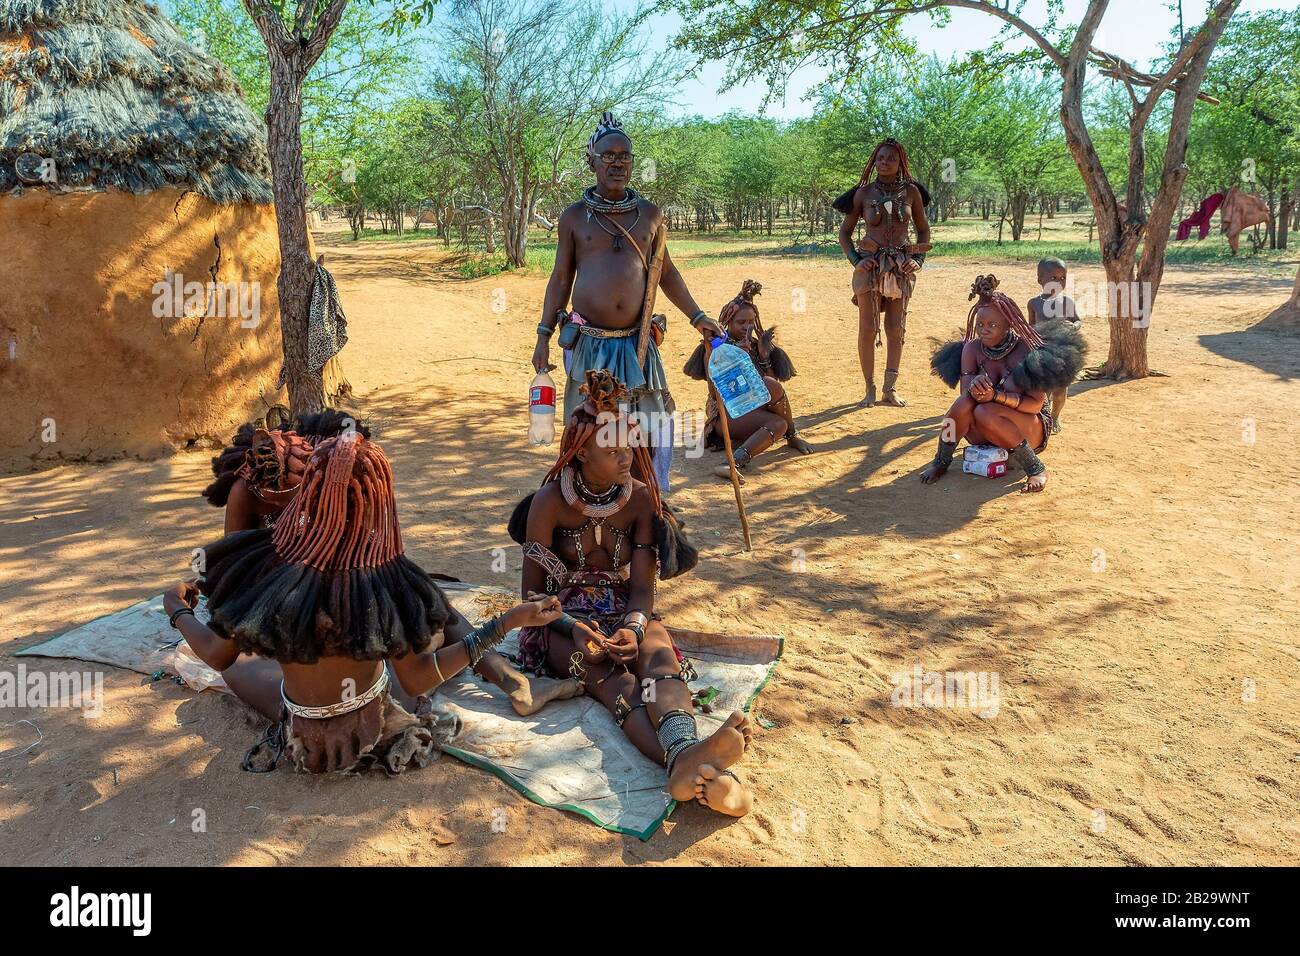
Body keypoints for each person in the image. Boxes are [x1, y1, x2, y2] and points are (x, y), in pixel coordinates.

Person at [164, 432, 576, 774]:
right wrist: (504, 624)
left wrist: (177, 609)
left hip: (300, 733)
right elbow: (416, 680)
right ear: (378, 499)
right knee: (432, 621)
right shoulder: (384, 579)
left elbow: (218, 656)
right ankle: (514, 682)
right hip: (374, 726)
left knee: (240, 661)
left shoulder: (268, 565)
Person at [506, 369, 755, 817]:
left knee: (660, 661)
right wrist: (574, 628)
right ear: (581, 454)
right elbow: (531, 597)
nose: (628, 459)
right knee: (612, 679)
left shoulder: (640, 499)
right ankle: (691, 763)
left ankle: (685, 757)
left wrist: (635, 629)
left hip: (622, 607)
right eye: (614, 450)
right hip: (557, 621)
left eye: (630, 448)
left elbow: (641, 590)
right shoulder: (548, 502)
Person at [531, 112, 723, 494]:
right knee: (591, 431)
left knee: (646, 429)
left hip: (638, 345)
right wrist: (543, 334)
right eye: (608, 156)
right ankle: (591, 503)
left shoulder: (650, 216)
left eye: (625, 156)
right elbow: (560, 279)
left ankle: (643, 503)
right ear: (592, 161)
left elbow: (665, 273)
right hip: (591, 343)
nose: (617, 163)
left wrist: (698, 316)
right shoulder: (574, 218)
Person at [922, 275, 1086, 493]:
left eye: (992, 325)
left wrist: (996, 397)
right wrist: (976, 388)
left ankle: (1035, 468)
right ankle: (941, 461)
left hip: (1028, 428)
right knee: (961, 406)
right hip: (985, 432)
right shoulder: (971, 349)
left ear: (1008, 325)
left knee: (986, 412)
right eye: (980, 324)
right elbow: (966, 398)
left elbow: (1035, 405)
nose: (984, 329)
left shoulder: (1025, 350)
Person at [683, 279, 812, 481]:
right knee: (770, 388)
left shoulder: (754, 344)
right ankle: (792, 436)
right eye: (741, 322)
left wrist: (764, 355)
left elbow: (771, 390)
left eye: (751, 321)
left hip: (754, 409)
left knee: (779, 423)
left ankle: (732, 463)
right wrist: (735, 363)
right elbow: (715, 391)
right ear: (727, 323)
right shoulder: (716, 348)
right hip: (728, 413)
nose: (747, 327)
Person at [836, 137, 932, 407]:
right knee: (868, 328)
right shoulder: (863, 194)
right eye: (880, 158)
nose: (885, 162)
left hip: (900, 267)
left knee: (894, 328)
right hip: (870, 265)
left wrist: (919, 259)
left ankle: (890, 389)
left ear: (900, 161)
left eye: (890, 158)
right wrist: (856, 260)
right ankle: (869, 388)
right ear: (874, 162)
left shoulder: (911, 192)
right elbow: (844, 233)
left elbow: (923, 229)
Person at [202, 408, 367, 533]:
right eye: (271, 499)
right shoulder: (244, 490)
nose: (279, 504)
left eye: (287, 499)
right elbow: (230, 556)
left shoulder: (339, 486)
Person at [1025, 258, 1081, 434]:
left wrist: (1074, 326)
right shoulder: (1034, 303)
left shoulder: (1067, 302)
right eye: (1053, 278)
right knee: (1042, 390)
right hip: (1042, 352)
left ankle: (1055, 416)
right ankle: (1044, 417)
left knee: (1060, 389)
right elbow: (1031, 326)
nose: (1058, 282)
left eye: (1062, 278)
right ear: (1040, 280)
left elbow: (1078, 321)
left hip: (1064, 352)